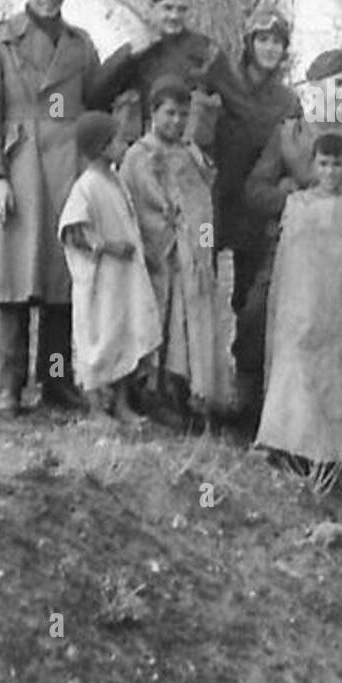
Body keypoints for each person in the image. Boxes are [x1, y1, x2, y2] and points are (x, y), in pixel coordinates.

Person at [239, 48, 342, 426]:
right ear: (314, 91)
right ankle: (255, 412)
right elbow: (254, 190)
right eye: (338, 86)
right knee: (256, 316)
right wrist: (298, 197)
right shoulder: (289, 136)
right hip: (292, 256)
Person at [0, 0, 101, 416]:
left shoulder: (81, 44)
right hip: (19, 166)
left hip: (67, 169)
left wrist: (95, 170)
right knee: (13, 281)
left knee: (59, 280)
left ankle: (56, 382)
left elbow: (96, 105)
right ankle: (9, 386)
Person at [254, 133, 342, 494]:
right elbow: (288, 262)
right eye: (323, 164)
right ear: (313, 166)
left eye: (337, 164)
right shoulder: (298, 205)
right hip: (304, 307)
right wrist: (295, 307)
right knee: (298, 375)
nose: (330, 171)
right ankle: (291, 450)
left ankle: (337, 459)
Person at [121, 76, 236, 429]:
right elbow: (141, 207)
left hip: (194, 259)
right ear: (153, 113)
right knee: (164, 323)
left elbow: (201, 204)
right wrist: (169, 232)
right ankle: (156, 393)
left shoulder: (190, 154)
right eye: (169, 113)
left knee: (195, 323)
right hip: (163, 260)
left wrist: (201, 243)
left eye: (183, 115)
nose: (176, 122)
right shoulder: (140, 157)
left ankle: (193, 394)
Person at [209, 10, 303, 410]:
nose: (269, 48)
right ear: (249, 43)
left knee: (253, 303)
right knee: (196, 293)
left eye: (277, 41)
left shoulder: (287, 100)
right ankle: (190, 389)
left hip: (258, 210)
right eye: (262, 39)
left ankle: (249, 394)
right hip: (212, 203)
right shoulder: (222, 84)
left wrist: (285, 185)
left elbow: (296, 154)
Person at [58, 112, 162, 421]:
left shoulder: (116, 181)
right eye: (117, 140)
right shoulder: (86, 187)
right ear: (102, 146)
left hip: (124, 284)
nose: (124, 144)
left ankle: (122, 403)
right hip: (101, 284)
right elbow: (72, 232)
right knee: (100, 340)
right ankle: (96, 406)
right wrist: (107, 246)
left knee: (125, 336)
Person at [86, 0, 259, 152]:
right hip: (142, 156)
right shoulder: (136, 53)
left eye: (181, 9)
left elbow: (243, 111)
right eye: (168, 8)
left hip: (190, 161)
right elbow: (95, 98)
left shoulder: (207, 53)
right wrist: (126, 57)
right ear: (152, 8)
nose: (174, 16)